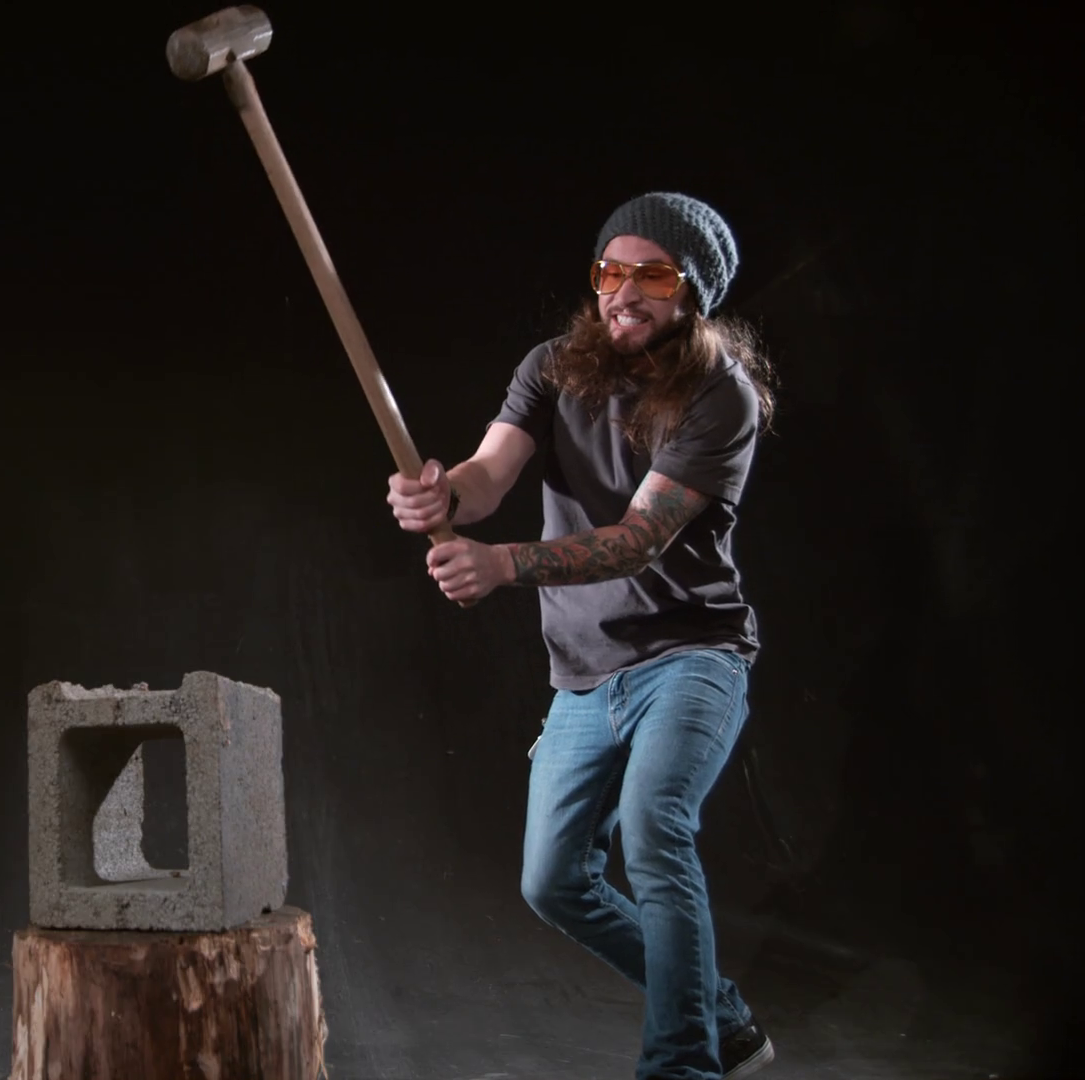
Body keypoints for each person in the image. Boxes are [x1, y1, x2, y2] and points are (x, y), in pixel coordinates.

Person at [385, 192, 779, 1080]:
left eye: (653, 275)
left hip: (691, 654)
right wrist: (441, 501)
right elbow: (488, 476)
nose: (624, 293)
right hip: (584, 674)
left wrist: (502, 567)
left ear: (692, 294)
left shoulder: (721, 396)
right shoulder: (554, 366)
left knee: (653, 829)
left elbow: (639, 541)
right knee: (553, 883)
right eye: (611, 271)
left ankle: (683, 1064)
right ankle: (718, 1016)